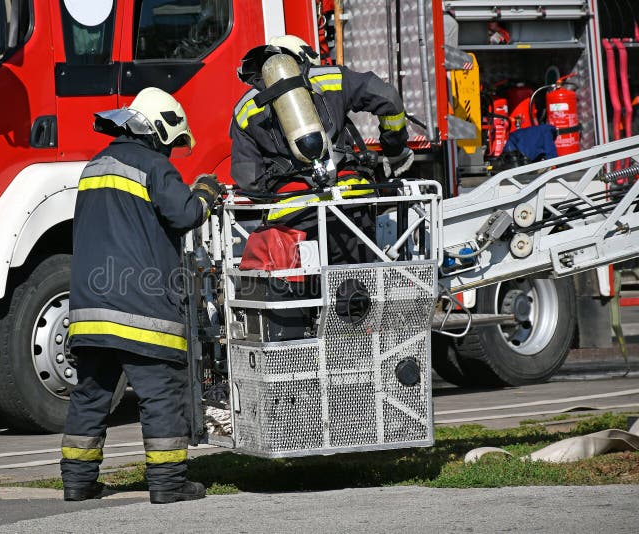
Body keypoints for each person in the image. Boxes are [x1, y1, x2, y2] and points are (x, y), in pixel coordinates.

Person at [61, 87, 221, 504]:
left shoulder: (95, 166)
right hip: (140, 309)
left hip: (91, 306)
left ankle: (77, 482)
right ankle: (168, 482)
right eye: (173, 142)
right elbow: (185, 214)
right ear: (161, 130)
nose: (171, 151)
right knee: (161, 394)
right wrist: (206, 192)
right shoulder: (153, 165)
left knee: (91, 396)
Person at [230, 35, 414, 263]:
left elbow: (249, 180)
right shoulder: (332, 77)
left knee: (307, 283)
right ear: (303, 56)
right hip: (350, 203)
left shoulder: (245, 108)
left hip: (294, 217)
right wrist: (394, 149)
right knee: (357, 279)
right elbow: (389, 98)